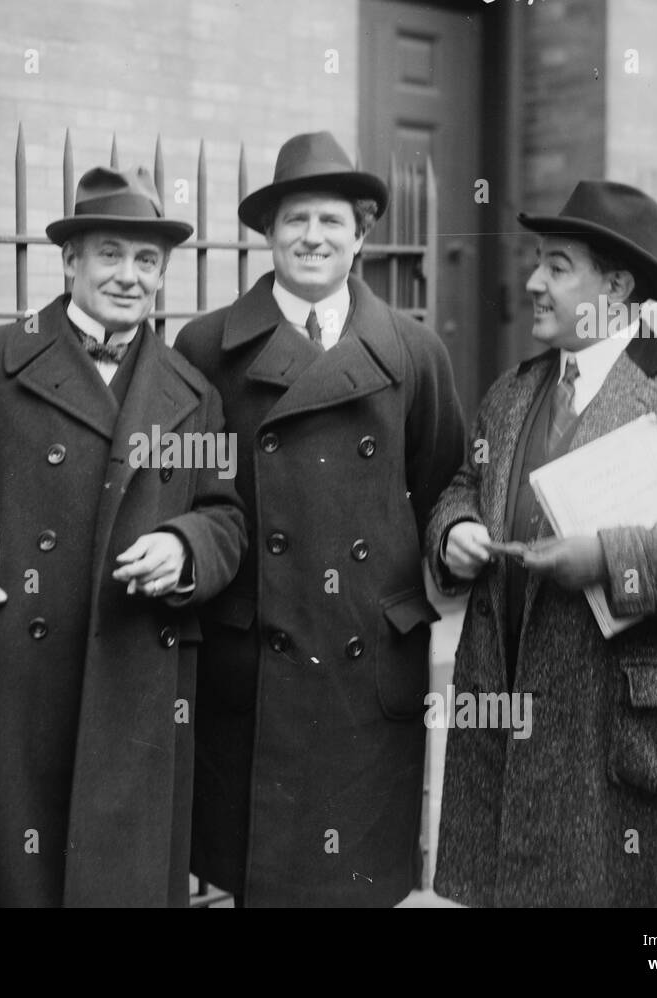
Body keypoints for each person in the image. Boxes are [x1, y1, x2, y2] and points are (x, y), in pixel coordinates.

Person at [0, 165, 247, 907]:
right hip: (11, 687)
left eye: (146, 261)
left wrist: (189, 546)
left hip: (135, 690)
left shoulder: (191, 394)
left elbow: (227, 516)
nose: (128, 277)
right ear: (69, 261)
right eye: (109, 254)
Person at [426, 180, 657, 906]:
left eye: (557, 266)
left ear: (615, 285)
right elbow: (469, 482)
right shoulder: (512, 393)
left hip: (627, 735)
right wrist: (454, 529)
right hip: (514, 719)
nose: (532, 281)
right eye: (536, 263)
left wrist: (608, 560)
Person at [173, 131, 465, 906]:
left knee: (358, 881)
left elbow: (445, 485)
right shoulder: (205, 346)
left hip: (368, 655)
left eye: (332, 221)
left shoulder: (413, 349)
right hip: (260, 655)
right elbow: (192, 489)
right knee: (261, 879)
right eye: (295, 220)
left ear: (362, 235)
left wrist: (446, 559)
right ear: (269, 233)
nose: (312, 237)